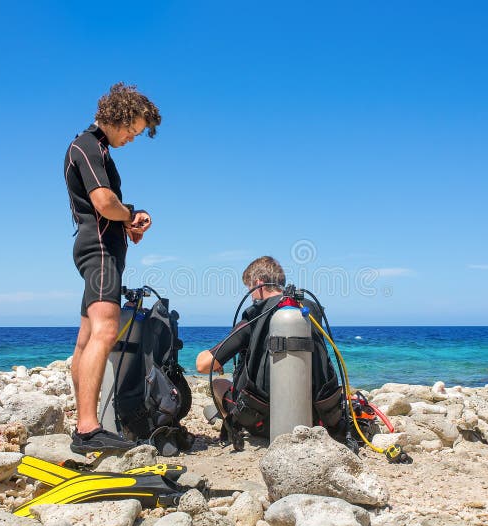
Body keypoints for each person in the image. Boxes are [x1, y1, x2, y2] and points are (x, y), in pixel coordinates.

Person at [64, 82, 161, 453]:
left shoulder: (98, 149)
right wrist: (129, 214)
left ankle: (84, 425)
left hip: (100, 247)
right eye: (132, 130)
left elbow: (106, 207)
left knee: (87, 338)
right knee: (106, 330)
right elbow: (104, 202)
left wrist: (129, 219)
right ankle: (89, 429)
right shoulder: (87, 145)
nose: (132, 138)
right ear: (118, 117)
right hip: (100, 249)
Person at [196, 256, 344, 438]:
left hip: (262, 421)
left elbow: (203, 366)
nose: (251, 296)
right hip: (318, 418)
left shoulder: (256, 316)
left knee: (218, 384)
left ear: (258, 283)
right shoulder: (308, 311)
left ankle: (232, 427)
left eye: (250, 289)